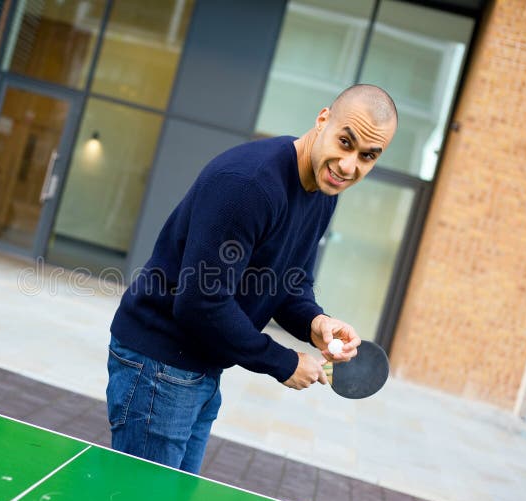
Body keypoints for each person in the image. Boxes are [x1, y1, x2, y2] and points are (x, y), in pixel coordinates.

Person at [106, 84, 397, 474]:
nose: (348, 166)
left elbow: (290, 282)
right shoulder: (250, 185)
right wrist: (281, 361)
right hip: (158, 366)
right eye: (345, 142)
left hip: (200, 368)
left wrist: (317, 324)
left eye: (367, 156)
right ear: (323, 119)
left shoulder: (324, 191)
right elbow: (200, 301)